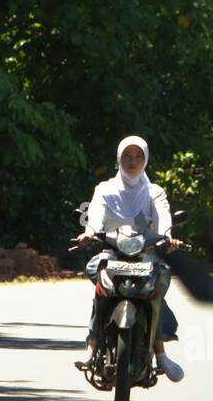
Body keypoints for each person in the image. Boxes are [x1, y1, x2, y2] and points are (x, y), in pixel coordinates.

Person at [75, 135, 185, 382]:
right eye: (127, 155)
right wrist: (89, 233)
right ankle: (92, 346)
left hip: (146, 255)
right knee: (100, 290)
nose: (132, 161)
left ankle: (161, 354)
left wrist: (168, 236)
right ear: (119, 158)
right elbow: (94, 214)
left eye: (138, 156)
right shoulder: (105, 190)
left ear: (145, 160)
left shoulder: (154, 192)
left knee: (156, 289)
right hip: (112, 253)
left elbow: (163, 216)